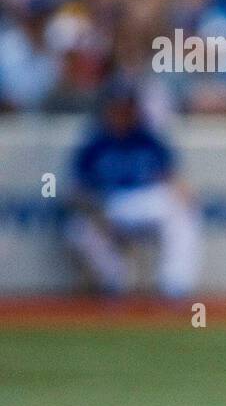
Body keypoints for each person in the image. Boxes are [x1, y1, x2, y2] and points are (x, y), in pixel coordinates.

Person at [64, 83, 201, 299]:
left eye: (127, 107)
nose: (122, 113)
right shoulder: (94, 144)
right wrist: (93, 210)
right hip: (108, 204)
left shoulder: (148, 139)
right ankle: (115, 283)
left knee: (181, 213)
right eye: (117, 107)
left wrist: (184, 192)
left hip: (146, 202)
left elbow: (172, 178)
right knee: (79, 229)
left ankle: (175, 287)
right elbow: (76, 190)